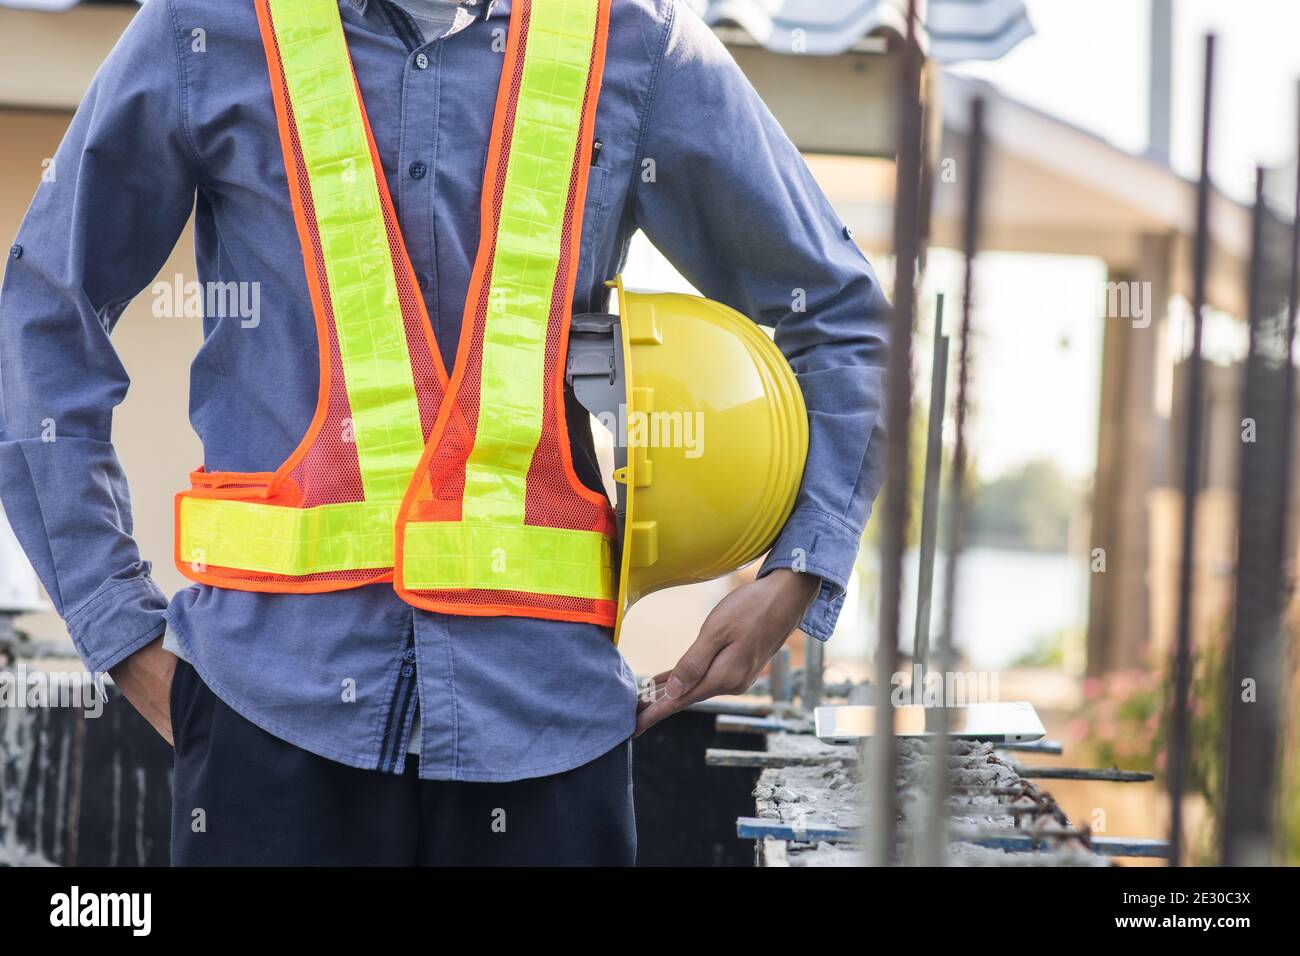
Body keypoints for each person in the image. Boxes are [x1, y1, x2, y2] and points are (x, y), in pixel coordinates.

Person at [0, 0, 888, 866]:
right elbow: (45, 309)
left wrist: (799, 571)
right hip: (268, 720)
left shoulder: (636, 43)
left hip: (544, 731)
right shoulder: (207, 27)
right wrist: (120, 632)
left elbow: (846, 317)